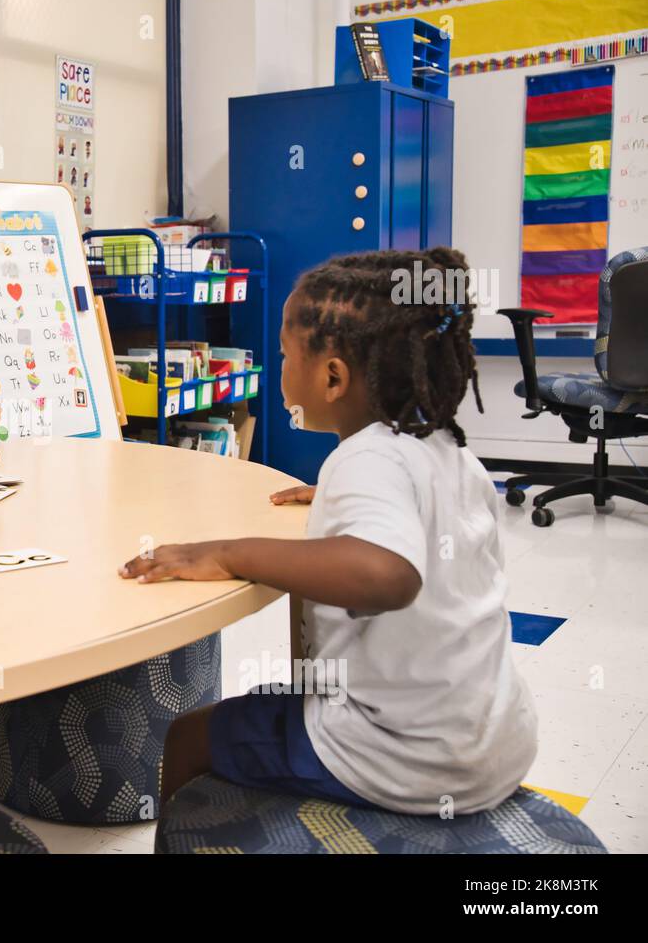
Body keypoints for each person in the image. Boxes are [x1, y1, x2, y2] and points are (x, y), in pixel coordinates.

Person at [121, 248, 537, 816]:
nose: (279, 368)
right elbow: (431, 519)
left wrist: (227, 553)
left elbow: (386, 574)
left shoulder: (363, 462)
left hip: (406, 759)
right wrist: (347, 504)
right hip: (496, 741)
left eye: (285, 355)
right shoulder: (446, 450)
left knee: (189, 737)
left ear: (333, 377)